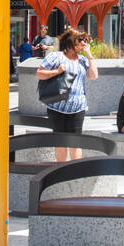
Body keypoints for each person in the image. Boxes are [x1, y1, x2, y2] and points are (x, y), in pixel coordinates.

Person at [36, 28, 98, 161]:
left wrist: (89, 55)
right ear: (71, 42)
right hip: (57, 106)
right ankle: (61, 170)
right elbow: (39, 73)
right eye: (80, 40)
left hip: (78, 107)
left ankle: (74, 174)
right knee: (61, 142)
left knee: (76, 143)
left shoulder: (82, 59)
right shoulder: (56, 57)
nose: (83, 43)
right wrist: (57, 72)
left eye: (83, 40)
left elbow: (93, 76)